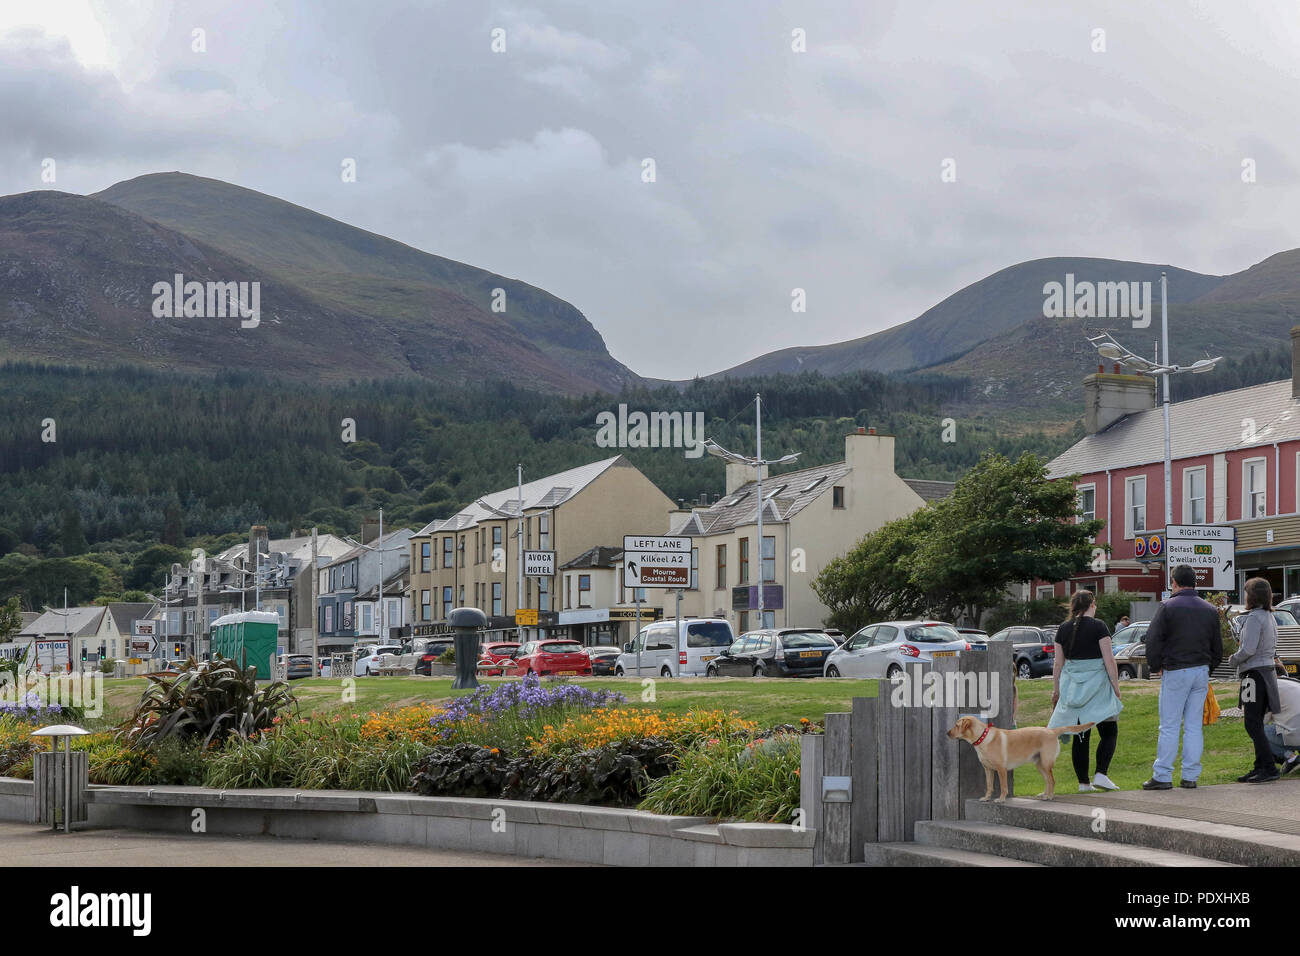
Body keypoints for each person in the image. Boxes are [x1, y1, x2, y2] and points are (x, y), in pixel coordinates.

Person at [1143, 565, 1223, 789]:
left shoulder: (1167, 607)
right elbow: (1217, 647)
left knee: (1169, 725)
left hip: (1176, 670)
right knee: (1193, 726)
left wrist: (1156, 665)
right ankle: (1190, 776)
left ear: (1174, 582)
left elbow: (1153, 639)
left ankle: (1163, 775)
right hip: (1201, 671)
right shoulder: (1209, 609)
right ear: (1195, 582)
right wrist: (1209, 668)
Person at [1050, 589, 1123, 792]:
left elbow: (1058, 664)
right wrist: (1116, 686)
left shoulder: (1063, 629)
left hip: (1072, 687)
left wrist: (1056, 691)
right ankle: (1101, 774)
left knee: (1081, 736)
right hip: (1097, 686)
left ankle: (1083, 783)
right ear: (1092, 605)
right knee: (1109, 731)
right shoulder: (1099, 626)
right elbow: (1109, 660)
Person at [1230, 577, 1281, 783]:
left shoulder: (1253, 618)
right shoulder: (1270, 616)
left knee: (1251, 723)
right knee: (1256, 721)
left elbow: (1248, 649)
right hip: (1267, 672)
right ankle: (1260, 765)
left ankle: (1268, 767)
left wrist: (1233, 659)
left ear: (1251, 596)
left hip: (1253, 673)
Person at [1264, 674, 1300, 775]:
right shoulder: (1294, 683)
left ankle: (1292, 758)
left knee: (1258, 731)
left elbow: (1262, 720)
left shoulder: (1270, 687)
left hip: (1296, 735)